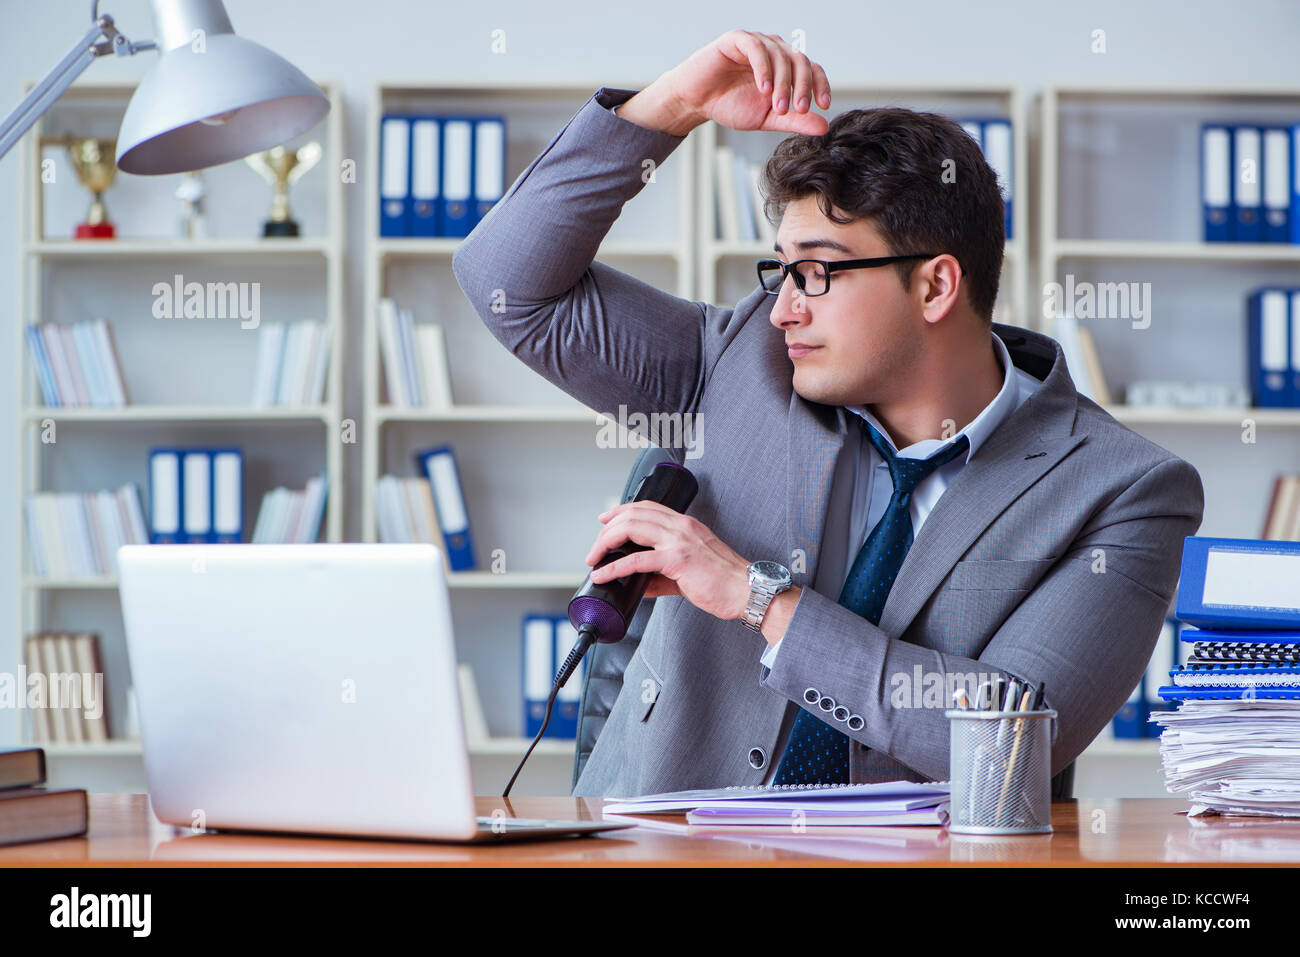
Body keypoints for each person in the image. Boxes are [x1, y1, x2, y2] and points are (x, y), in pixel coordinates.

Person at [453, 28, 1204, 796]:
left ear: (936, 287)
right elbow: (508, 283)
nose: (782, 310)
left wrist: (758, 597)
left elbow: (1013, 734)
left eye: (813, 272)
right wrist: (672, 105)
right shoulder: (742, 361)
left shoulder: (1123, 488)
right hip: (653, 842)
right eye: (779, 270)